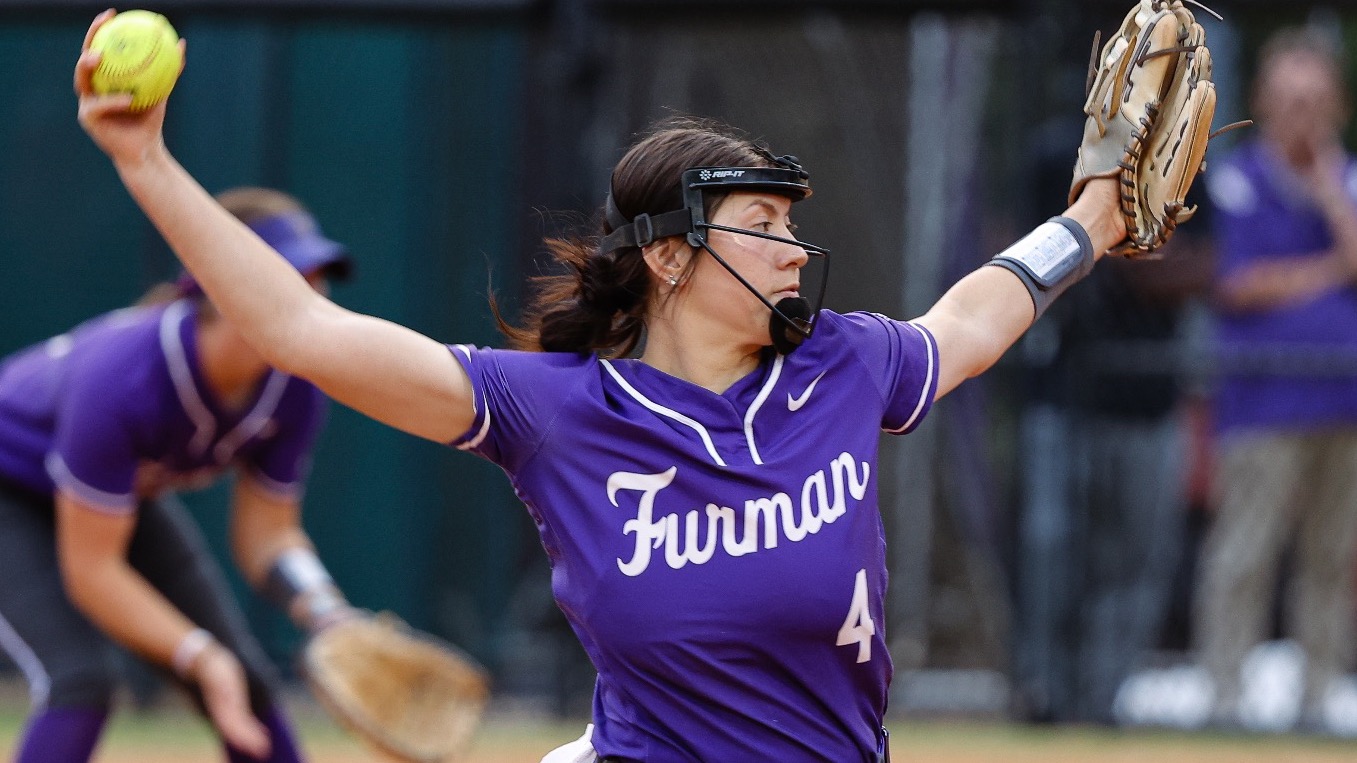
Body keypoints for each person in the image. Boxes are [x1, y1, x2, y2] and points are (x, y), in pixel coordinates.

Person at [72, 9, 1131, 760]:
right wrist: (145, 163)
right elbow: (303, 327)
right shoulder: (558, 411)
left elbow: (970, 319)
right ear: (669, 257)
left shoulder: (843, 364)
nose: (793, 250)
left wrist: (1084, 225)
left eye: (791, 226)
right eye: (759, 227)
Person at [0, 184, 359, 762]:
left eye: (317, 279)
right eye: (293, 278)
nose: (313, 297)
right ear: (222, 286)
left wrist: (327, 614)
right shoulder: (124, 377)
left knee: (246, 679)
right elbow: (92, 571)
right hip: (9, 491)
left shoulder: (294, 382)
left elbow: (268, 533)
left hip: (108, 503)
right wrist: (199, 655)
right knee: (81, 680)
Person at [1194, 26, 1357, 732]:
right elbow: (1238, 285)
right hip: (1261, 400)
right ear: (1263, 102)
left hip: (1342, 401)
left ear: (1338, 107)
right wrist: (1328, 273)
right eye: (1289, 101)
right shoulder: (1237, 181)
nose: (1302, 116)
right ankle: (1225, 697)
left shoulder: (1345, 181)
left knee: (1331, 555)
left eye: (1315, 101)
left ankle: (1318, 698)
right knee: (1245, 552)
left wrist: (1327, 193)